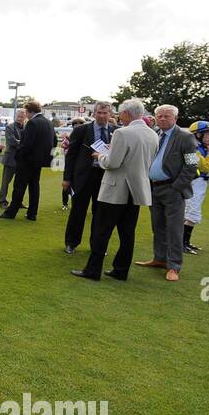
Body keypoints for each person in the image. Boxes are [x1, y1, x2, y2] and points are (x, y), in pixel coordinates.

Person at [71, 98, 158, 281]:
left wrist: (101, 155)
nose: (119, 117)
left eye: (120, 113)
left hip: (116, 189)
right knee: (127, 233)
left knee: (102, 231)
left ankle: (93, 270)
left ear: (127, 113)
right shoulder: (152, 134)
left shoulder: (122, 133)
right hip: (137, 190)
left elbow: (112, 163)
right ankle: (121, 269)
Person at [134, 104, 199, 282]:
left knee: (174, 229)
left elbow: (192, 165)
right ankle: (159, 259)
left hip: (173, 189)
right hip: (153, 188)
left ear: (175, 119)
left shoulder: (185, 137)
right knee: (158, 226)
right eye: (159, 116)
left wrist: (177, 187)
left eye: (167, 116)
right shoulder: (154, 134)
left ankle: (174, 266)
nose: (162, 119)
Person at [62, 102, 113, 253]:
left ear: (110, 114)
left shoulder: (116, 132)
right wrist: (67, 178)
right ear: (94, 113)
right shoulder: (81, 130)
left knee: (101, 213)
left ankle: (97, 245)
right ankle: (71, 242)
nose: (102, 116)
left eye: (105, 113)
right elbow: (71, 156)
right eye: (99, 113)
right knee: (78, 211)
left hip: (105, 177)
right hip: (84, 176)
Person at [0, 99, 53, 220]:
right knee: (34, 187)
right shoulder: (48, 123)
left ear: (30, 111)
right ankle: (32, 214)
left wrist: (19, 156)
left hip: (27, 160)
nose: (25, 115)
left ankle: (11, 212)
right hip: (39, 161)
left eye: (26, 112)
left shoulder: (33, 123)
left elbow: (26, 144)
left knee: (19, 186)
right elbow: (54, 141)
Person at [182, 121, 209, 254]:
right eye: (208, 133)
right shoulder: (194, 148)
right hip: (193, 183)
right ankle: (182, 243)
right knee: (192, 214)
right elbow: (205, 167)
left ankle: (184, 242)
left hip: (197, 182)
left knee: (190, 213)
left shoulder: (199, 146)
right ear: (198, 134)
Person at [0, 109, 26, 208]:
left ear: (25, 117)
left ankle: (18, 202)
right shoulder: (10, 127)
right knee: (5, 182)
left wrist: (20, 142)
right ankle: (2, 201)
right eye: (18, 116)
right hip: (11, 159)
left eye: (21, 117)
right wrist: (24, 143)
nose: (19, 118)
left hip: (22, 159)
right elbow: (11, 142)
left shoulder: (27, 127)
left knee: (20, 183)